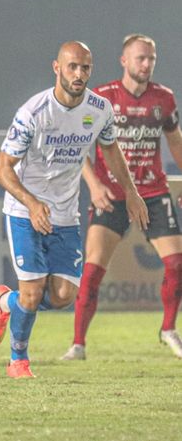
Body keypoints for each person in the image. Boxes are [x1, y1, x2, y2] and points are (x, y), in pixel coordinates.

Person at [0, 41, 149, 378]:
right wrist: (31, 203)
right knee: (32, 296)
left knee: (62, 296)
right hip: (24, 212)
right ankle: (18, 360)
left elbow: (111, 151)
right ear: (56, 68)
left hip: (64, 215)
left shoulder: (99, 109)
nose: (79, 74)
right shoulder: (33, 113)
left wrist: (131, 192)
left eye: (85, 68)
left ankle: (5, 303)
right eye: (73, 66)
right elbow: (2, 168)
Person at [62, 34, 182, 361]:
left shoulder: (165, 99)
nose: (147, 64)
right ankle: (78, 345)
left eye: (151, 59)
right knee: (93, 270)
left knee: (176, 262)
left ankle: (168, 328)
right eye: (141, 58)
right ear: (124, 61)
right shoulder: (101, 99)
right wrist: (94, 185)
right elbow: (76, 145)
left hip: (153, 193)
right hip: (111, 195)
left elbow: (175, 142)